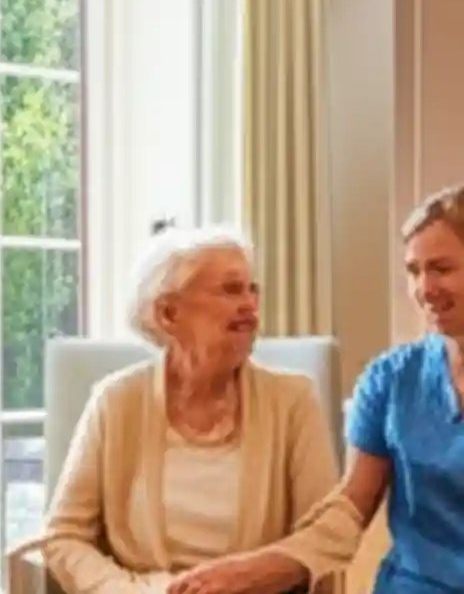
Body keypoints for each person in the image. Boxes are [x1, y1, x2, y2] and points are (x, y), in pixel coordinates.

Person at [6, 226, 341, 593]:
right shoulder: (115, 402)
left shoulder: (293, 400)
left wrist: (250, 575)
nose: (249, 305)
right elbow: (64, 537)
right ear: (168, 313)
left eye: (252, 289)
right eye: (231, 290)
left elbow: (324, 533)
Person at [176, 183, 464, 593]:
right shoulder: (390, 379)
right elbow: (348, 511)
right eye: (414, 271)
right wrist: (265, 566)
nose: (424, 289)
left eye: (441, 268)